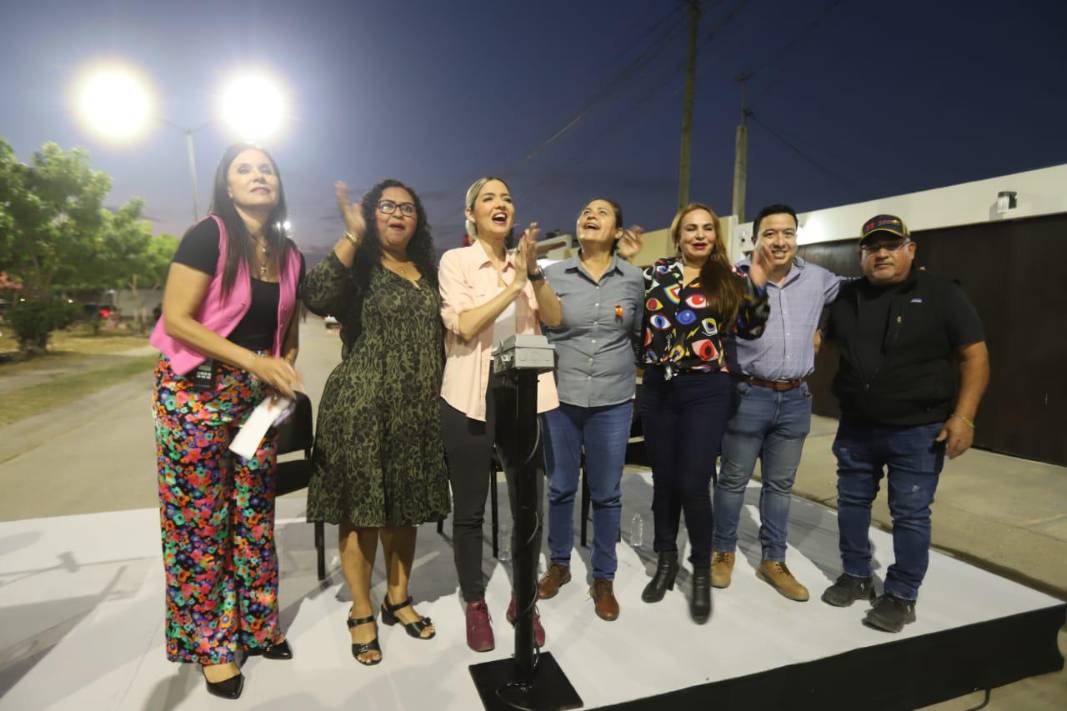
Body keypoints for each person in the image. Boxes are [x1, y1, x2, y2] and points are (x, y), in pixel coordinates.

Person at [150, 144, 304, 700]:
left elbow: (286, 332)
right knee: (200, 522)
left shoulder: (288, 254)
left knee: (252, 511)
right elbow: (178, 319)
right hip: (194, 391)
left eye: (267, 168)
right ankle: (212, 643)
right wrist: (254, 362)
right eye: (245, 169)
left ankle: (258, 625)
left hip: (254, 397)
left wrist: (281, 376)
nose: (259, 175)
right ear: (228, 185)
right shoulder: (208, 235)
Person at [302, 179, 450, 665]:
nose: (398, 214)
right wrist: (350, 237)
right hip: (361, 408)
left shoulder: (427, 271)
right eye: (387, 206)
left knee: (404, 511)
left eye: (408, 207)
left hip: (416, 411)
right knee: (361, 514)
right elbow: (316, 296)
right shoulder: (359, 267)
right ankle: (361, 609)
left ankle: (398, 597)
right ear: (371, 214)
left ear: (418, 219)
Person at [820, 214, 989, 632]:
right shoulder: (847, 298)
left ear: (910, 250)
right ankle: (857, 575)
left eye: (891, 246)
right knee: (852, 503)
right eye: (873, 247)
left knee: (910, 514)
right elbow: (817, 341)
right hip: (858, 427)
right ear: (861, 255)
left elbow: (975, 357)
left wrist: (964, 416)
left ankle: (901, 595)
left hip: (919, 430)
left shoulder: (942, 294)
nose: (881, 254)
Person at [438, 176, 562, 652]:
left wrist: (531, 274)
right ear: (470, 215)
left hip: (524, 394)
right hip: (470, 393)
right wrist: (512, 287)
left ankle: (524, 600)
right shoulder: (456, 261)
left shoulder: (524, 264)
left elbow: (553, 318)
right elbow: (466, 325)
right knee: (469, 509)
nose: (501, 204)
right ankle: (475, 602)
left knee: (527, 507)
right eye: (489, 198)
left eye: (507, 197)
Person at [639, 202, 771, 623]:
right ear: (677, 235)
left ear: (716, 236)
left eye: (707, 229)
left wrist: (758, 285)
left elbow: (751, 329)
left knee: (693, 482)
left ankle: (698, 571)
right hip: (659, 385)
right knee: (663, 481)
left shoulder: (731, 279)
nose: (699, 235)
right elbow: (631, 324)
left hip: (707, 388)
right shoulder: (655, 274)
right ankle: (665, 561)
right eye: (690, 229)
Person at [711, 204, 841, 601]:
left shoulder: (820, 279)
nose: (780, 241)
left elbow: (860, 292)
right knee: (733, 481)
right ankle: (723, 552)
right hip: (747, 394)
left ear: (797, 237)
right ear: (755, 239)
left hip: (796, 398)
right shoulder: (734, 279)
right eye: (770, 233)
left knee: (780, 486)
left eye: (787, 233)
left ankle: (774, 560)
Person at [537, 198, 644, 621]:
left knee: (607, 493)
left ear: (617, 230)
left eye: (601, 211)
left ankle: (603, 576)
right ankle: (559, 565)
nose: (589, 215)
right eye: (584, 210)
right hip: (562, 398)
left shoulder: (634, 278)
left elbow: (639, 335)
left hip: (614, 401)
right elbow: (547, 325)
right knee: (561, 486)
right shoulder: (555, 273)